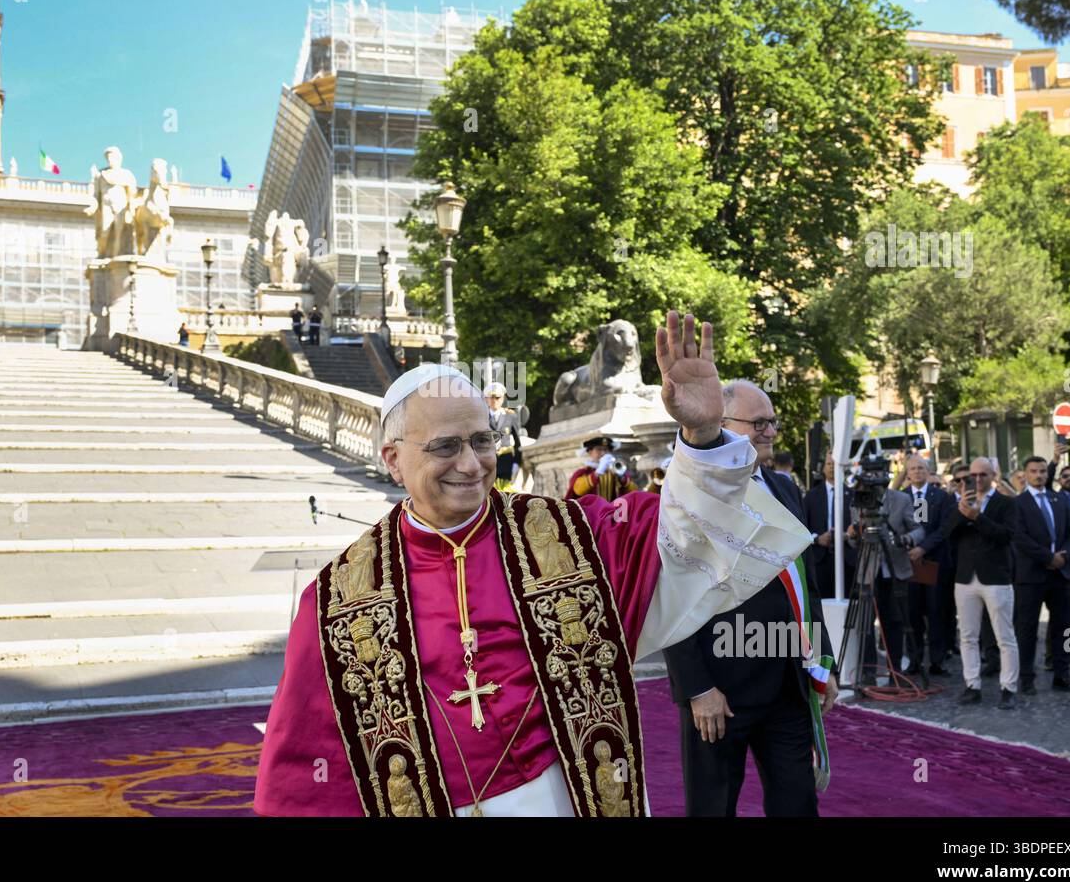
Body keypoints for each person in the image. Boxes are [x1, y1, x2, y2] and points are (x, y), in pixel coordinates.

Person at [252, 312, 813, 817]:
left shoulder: (568, 536)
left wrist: (702, 435)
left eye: (482, 440)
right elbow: (305, 779)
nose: (472, 466)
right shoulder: (338, 601)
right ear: (393, 460)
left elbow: (686, 542)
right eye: (446, 447)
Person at [663, 380, 837, 818]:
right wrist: (697, 688)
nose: (771, 432)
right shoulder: (688, 493)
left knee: (798, 804)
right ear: (718, 424)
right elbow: (671, 593)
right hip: (720, 691)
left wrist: (824, 660)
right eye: (758, 423)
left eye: (773, 423)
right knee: (714, 808)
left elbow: (805, 584)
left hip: (787, 683)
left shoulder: (784, 488)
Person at [943, 458, 1019, 709]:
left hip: (996, 577)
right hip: (965, 578)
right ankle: (971, 684)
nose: (975, 480)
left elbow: (1006, 536)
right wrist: (962, 513)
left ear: (993, 475)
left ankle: (1008, 687)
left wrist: (977, 517)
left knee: (1004, 637)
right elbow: (948, 536)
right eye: (970, 476)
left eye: (981, 475)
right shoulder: (960, 503)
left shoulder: (1006, 503)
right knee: (967, 636)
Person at [1012, 455, 1070, 695]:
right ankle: (1026, 678)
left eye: (1043, 471)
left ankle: (1063, 674)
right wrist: (1047, 557)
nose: (1039, 475)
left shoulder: (1060, 498)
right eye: (1034, 471)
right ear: (1026, 474)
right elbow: (1019, 538)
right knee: (1027, 629)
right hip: (1031, 576)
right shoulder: (1018, 503)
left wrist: (1064, 556)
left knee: (1065, 628)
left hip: (1061, 573)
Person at [849, 485, 925, 679]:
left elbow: (919, 530)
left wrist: (905, 539)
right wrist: (853, 535)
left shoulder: (902, 499)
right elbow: (854, 540)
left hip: (896, 570)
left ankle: (896, 671)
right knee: (865, 624)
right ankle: (868, 672)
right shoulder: (859, 499)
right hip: (868, 572)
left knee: (895, 622)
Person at [903, 454, 955, 677]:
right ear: (907, 473)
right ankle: (913, 660)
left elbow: (944, 529)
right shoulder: (900, 497)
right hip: (907, 565)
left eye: (921, 468)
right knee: (911, 614)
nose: (917, 472)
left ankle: (937, 661)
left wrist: (922, 547)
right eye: (913, 468)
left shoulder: (942, 497)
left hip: (933, 563)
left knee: (937, 613)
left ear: (928, 471)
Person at [802, 452, 854, 600]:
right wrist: (817, 539)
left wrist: (848, 535)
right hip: (820, 560)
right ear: (823, 468)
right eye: (829, 464)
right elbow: (801, 527)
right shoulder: (811, 496)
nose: (832, 468)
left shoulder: (853, 495)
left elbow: (858, 526)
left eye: (836, 464)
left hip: (847, 560)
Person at [565, 436, 637, 501]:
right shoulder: (584, 472)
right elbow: (578, 490)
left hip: (614, 512)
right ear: (590, 452)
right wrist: (597, 473)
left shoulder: (615, 470)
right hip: (592, 513)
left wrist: (622, 478)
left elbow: (634, 491)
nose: (603, 453)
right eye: (598, 449)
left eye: (606, 450)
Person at [483, 382, 521, 493]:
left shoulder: (510, 416)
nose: (494, 400)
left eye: (498, 397)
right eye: (491, 397)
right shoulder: (481, 416)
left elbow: (518, 442)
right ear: (486, 399)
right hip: (487, 461)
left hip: (506, 461)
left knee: (506, 495)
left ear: (503, 399)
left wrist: (516, 463)